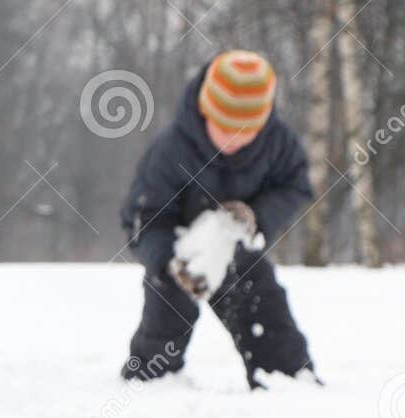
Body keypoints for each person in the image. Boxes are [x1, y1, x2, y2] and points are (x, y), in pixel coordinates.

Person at [120, 49, 320, 390]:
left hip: (237, 249)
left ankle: (288, 382)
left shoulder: (278, 143)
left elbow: (295, 187)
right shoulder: (171, 150)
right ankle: (149, 383)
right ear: (205, 110)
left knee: (268, 314)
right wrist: (168, 262)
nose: (234, 139)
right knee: (164, 323)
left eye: (245, 131)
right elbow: (144, 218)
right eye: (224, 127)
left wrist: (256, 217)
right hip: (179, 254)